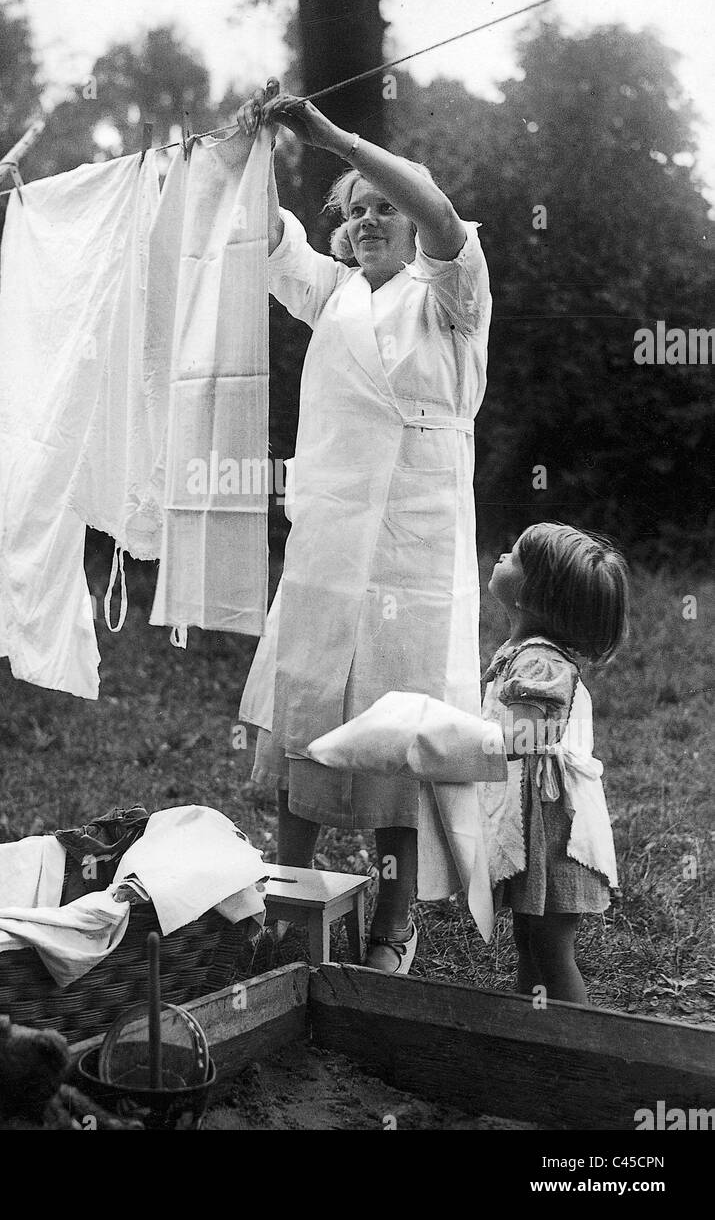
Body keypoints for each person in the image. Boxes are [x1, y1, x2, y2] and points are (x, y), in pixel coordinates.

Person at [236, 78, 492, 973]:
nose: (376, 217)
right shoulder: (335, 293)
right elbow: (267, 237)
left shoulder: (452, 293)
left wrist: (329, 134)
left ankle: (393, 925)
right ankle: (289, 906)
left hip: (416, 541)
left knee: (399, 732)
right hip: (328, 538)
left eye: (386, 206)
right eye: (359, 210)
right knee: (306, 707)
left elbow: (434, 201)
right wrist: (257, 146)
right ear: (343, 229)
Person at [481, 522, 629, 1004]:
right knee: (531, 942)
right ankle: (537, 1036)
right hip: (538, 825)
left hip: (554, 832)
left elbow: (525, 736)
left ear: (532, 595)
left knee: (549, 947)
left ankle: (578, 1048)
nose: (502, 556)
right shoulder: (526, 655)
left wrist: (450, 740)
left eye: (515, 557)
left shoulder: (541, 665)